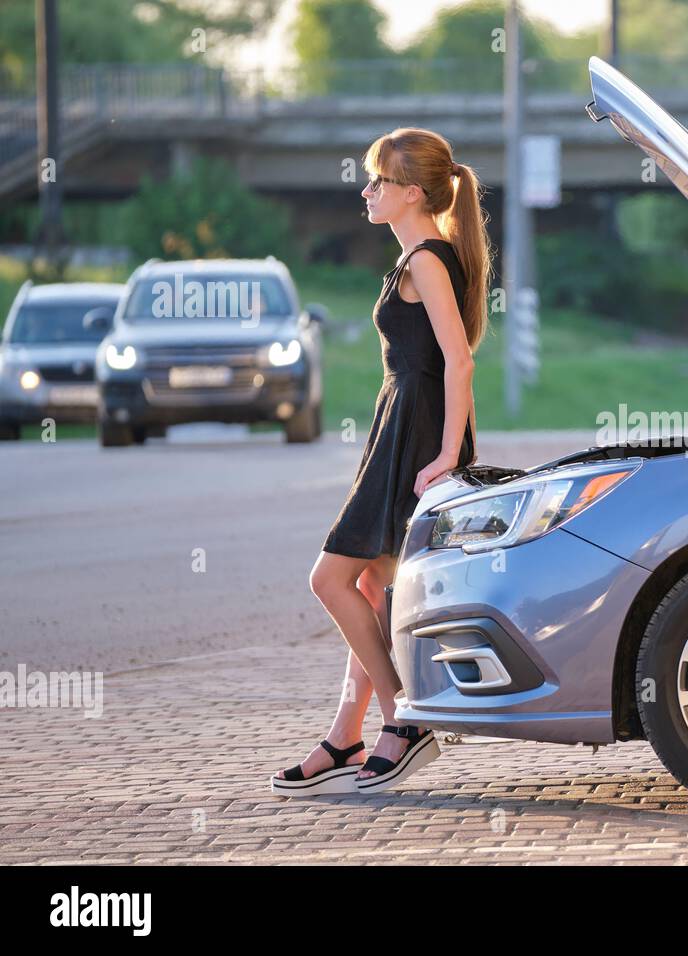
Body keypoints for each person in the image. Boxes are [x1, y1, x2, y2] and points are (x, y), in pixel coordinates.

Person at [272, 127, 493, 796]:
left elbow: (459, 361)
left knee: (330, 579)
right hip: (397, 429)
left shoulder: (427, 259)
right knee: (370, 587)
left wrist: (449, 455)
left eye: (378, 182)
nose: (366, 191)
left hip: (418, 435)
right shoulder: (419, 257)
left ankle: (403, 718)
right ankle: (346, 735)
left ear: (411, 194)